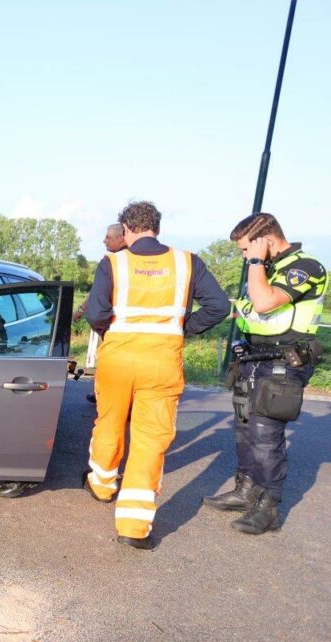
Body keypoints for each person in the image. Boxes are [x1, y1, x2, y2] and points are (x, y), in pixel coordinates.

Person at [84, 201, 229, 549]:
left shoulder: (114, 262)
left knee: (109, 421)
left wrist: (113, 331)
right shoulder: (186, 262)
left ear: (127, 229)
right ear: (157, 228)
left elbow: (94, 313)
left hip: (118, 358)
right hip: (162, 360)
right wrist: (183, 327)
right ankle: (133, 528)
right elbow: (219, 306)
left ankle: (102, 485)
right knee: (151, 439)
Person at [203, 213, 326, 534]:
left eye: (246, 250)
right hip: (253, 358)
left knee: (265, 435)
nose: (244, 257)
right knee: (244, 428)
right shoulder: (267, 268)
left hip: (283, 363)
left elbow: (264, 303)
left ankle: (269, 507)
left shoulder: (307, 267)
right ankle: (246, 490)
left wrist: (256, 261)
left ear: (266, 241)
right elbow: (247, 311)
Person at [74, 223, 127, 403]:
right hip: (120, 324)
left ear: (122, 238)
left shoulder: (113, 263)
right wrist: (81, 309)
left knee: (112, 362)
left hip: (115, 324)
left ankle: (107, 396)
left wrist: (90, 317)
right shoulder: (121, 261)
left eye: (108, 237)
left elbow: (97, 293)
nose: (104, 240)